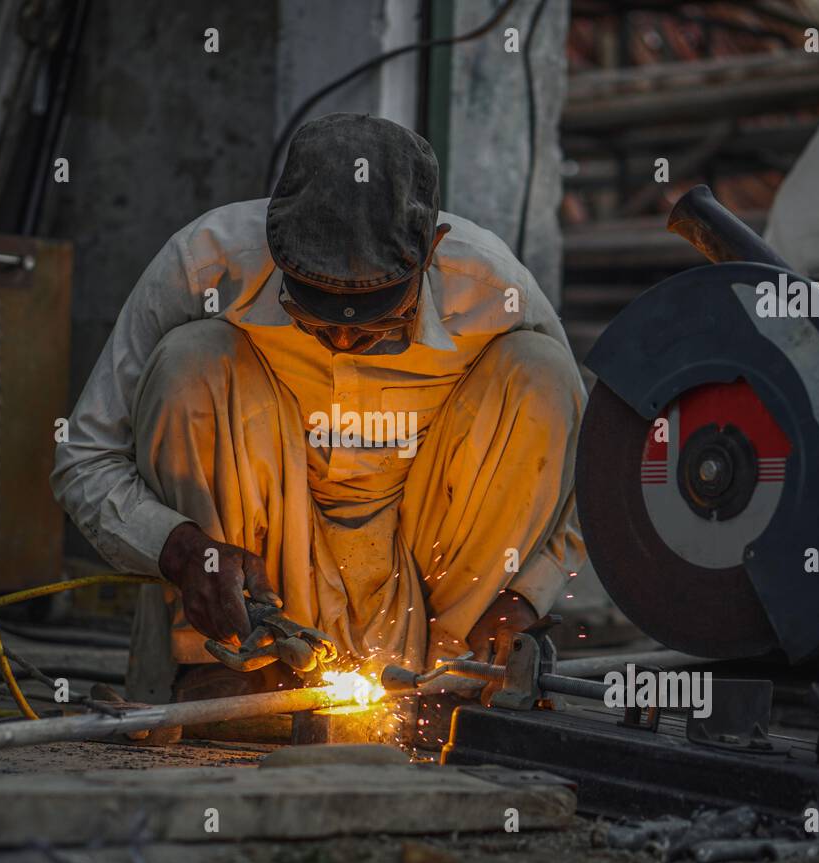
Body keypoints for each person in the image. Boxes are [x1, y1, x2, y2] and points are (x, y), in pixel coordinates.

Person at [52, 112, 585, 699]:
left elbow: (590, 477)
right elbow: (85, 458)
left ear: (431, 250)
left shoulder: (494, 289)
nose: (345, 340)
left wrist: (524, 596)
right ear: (275, 245)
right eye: (317, 317)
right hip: (265, 581)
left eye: (377, 321)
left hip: (427, 572)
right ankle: (228, 663)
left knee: (543, 374)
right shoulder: (206, 264)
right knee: (193, 359)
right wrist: (181, 550)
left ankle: (454, 676)